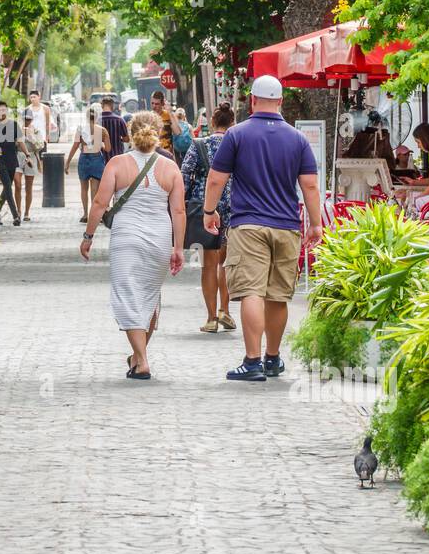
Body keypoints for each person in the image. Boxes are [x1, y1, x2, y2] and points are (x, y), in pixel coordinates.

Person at [202, 75, 322, 382]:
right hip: (286, 226)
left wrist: (209, 211)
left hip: (249, 225)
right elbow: (309, 185)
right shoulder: (297, 139)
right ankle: (273, 357)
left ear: (252, 100)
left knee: (252, 292)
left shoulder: (237, 135)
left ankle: (252, 362)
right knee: (278, 295)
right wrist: (316, 224)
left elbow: (217, 178)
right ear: (281, 101)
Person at [81, 111, 186, 380]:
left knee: (128, 295)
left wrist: (89, 236)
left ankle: (142, 359)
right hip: (160, 240)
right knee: (149, 298)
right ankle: (139, 357)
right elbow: (179, 212)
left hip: (126, 239)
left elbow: (99, 204)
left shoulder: (117, 164)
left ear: (130, 132)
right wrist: (178, 248)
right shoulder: (171, 167)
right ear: (159, 132)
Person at [182, 104, 235, 333]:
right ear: (232, 124)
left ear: (212, 123)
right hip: (233, 209)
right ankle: (226, 311)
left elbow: (185, 175)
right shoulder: (238, 143)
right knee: (227, 263)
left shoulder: (198, 144)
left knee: (209, 265)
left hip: (207, 209)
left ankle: (212, 318)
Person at [65, 104, 112, 223]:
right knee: (95, 190)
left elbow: (75, 146)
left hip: (84, 159)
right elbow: (108, 149)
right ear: (96, 117)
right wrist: (100, 144)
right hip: (96, 159)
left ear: (86, 117)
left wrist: (67, 162)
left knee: (83, 188)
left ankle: (85, 214)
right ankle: (94, 214)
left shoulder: (80, 129)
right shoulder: (102, 130)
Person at [0, 101, 26, 225]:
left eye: (4, 109)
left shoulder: (13, 125)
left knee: (6, 189)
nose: (2, 112)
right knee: (8, 186)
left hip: (12, 159)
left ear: (7, 111)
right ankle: (16, 216)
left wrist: (27, 154)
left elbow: (20, 141)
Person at [17, 106, 45, 222]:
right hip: (18, 156)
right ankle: (17, 211)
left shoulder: (36, 130)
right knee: (17, 185)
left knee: (29, 187)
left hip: (31, 157)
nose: (27, 121)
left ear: (32, 120)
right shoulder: (17, 129)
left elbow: (40, 146)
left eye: (29, 119)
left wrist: (31, 136)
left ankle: (27, 212)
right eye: (25, 119)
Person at [98, 95, 129, 162]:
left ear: (102, 106)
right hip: (117, 157)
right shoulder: (120, 120)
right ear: (112, 106)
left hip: (101, 158)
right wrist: (117, 139)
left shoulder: (96, 121)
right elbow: (126, 139)